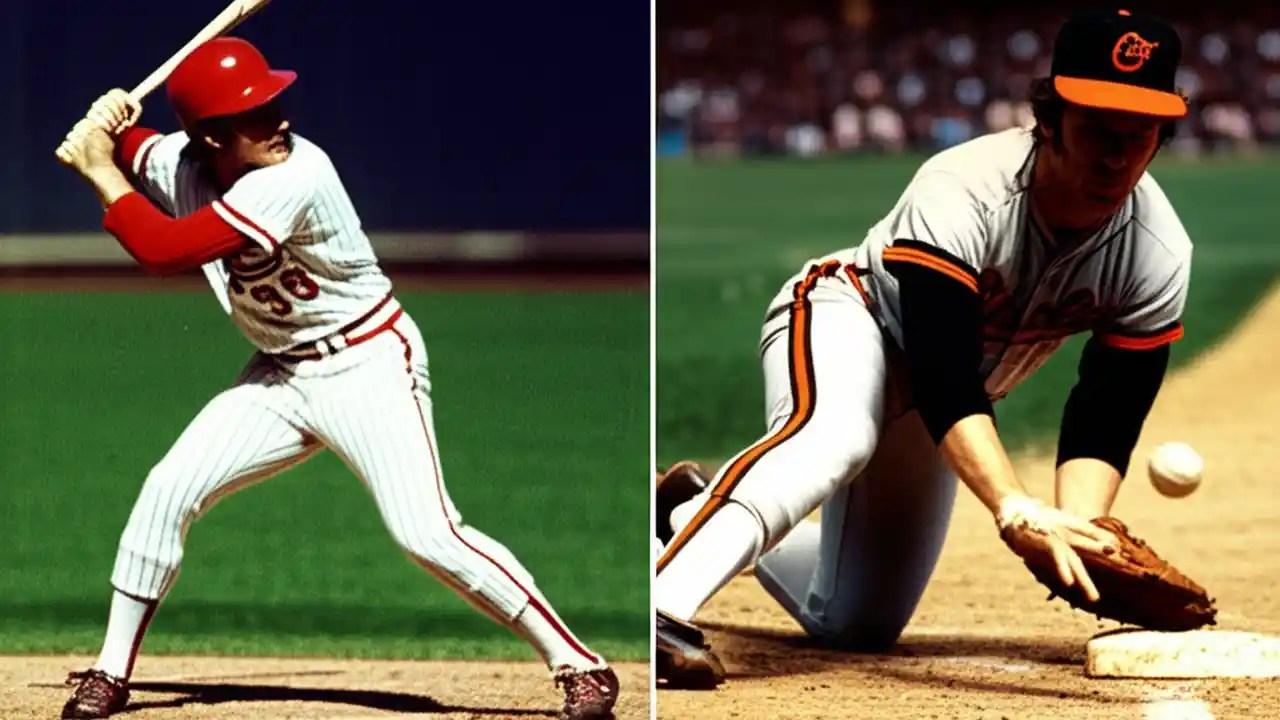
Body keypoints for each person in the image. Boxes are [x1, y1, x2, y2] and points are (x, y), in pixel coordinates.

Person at [53, 37, 618, 720]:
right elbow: (142, 145)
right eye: (254, 113)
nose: (278, 121)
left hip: (367, 364)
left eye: (273, 102)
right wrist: (110, 124)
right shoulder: (184, 161)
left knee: (426, 532)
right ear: (210, 135)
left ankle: (580, 665)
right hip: (280, 374)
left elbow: (163, 250)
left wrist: (99, 171)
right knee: (167, 489)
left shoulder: (296, 175)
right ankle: (110, 673)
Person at [654, 8, 1192, 687]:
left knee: (858, 623)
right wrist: (1013, 505)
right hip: (850, 319)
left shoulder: (1159, 251)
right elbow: (943, 369)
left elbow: (1106, 410)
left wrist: (1079, 530)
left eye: (1138, 133)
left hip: (944, 394)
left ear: (1162, 136)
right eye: (1097, 130)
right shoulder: (967, 186)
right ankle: (663, 598)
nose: (1116, 155)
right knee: (834, 435)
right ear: (1050, 120)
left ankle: (686, 509)